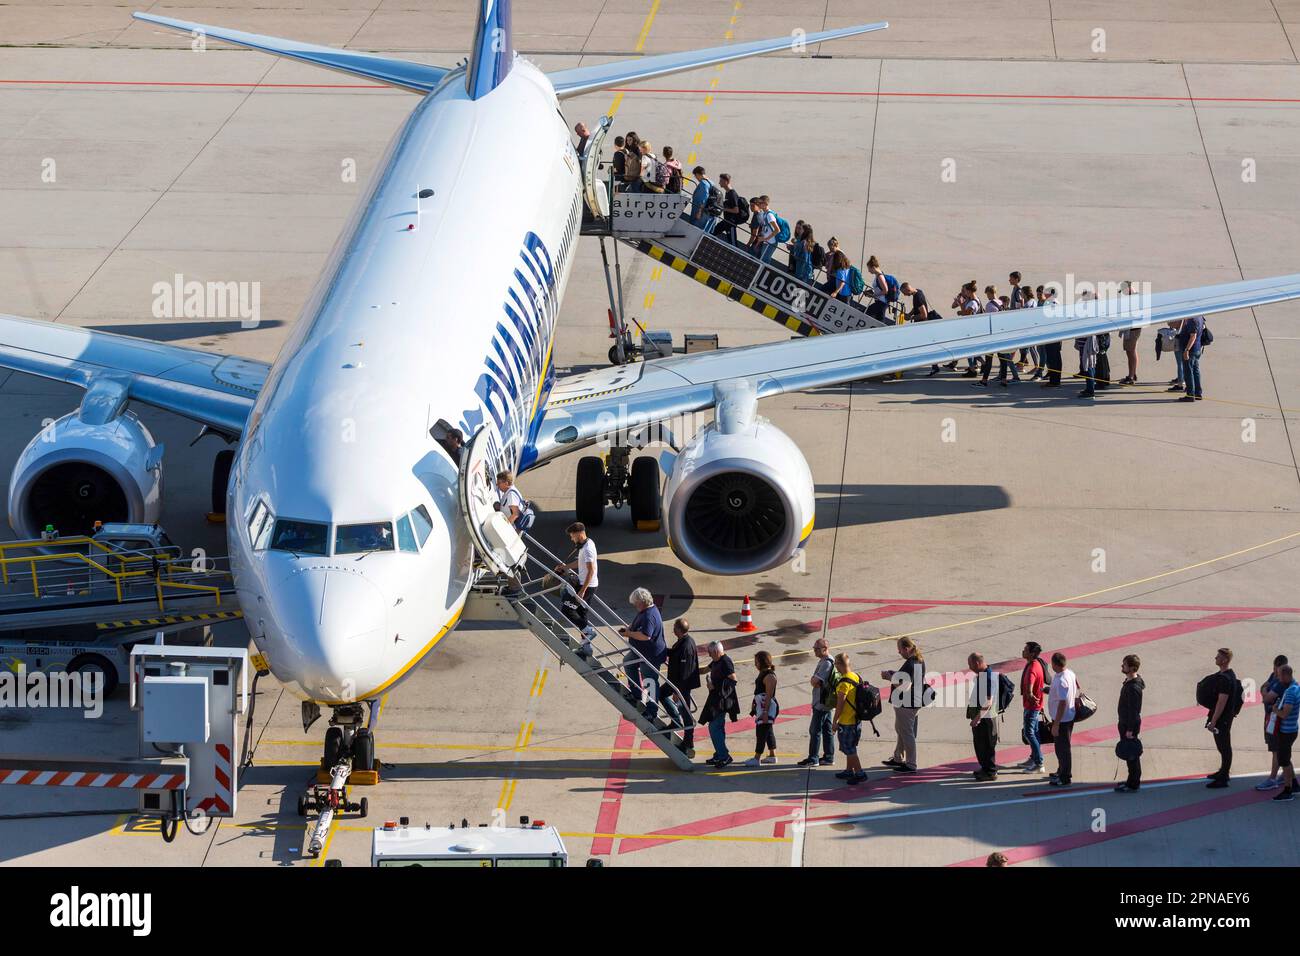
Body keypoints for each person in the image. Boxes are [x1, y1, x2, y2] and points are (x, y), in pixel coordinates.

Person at [619, 588, 668, 722]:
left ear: (642, 602)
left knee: (650, 682)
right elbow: (640, 626)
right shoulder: (647, 611)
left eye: (636, 603)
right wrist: (630, 627)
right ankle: (636, 694)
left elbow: (646, 635)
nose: (635, 606)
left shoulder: (648, 615)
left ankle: (651, 711)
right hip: (641, 651)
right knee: (628, 663)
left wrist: (628, 633)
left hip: (650, 655)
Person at [881, 636, 927, 773]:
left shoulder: (910, 663)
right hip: (914, 701)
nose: (899, 652)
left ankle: (911, 764)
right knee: (901, 729)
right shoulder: (918, 660)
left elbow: (905, 686)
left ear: (906, 649)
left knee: (906, 733)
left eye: (900, 650)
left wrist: (889, 677)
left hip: (906, 704)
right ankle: (898, 758)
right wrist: (896, 673)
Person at [662, 618, 699, 757]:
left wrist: (677, 691)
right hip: (676, 682)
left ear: (678, 629)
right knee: (661, 694)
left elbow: (684, 671)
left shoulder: (685, 646)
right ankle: (675, 721)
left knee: (686, 712)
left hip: (681, 685)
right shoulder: (683, 642)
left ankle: (688, 741)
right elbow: (675, 654)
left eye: (674, 627)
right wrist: (664, 650)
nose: (672, 629)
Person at [798, 637, 836, 767]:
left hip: (822, 703)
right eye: (814, 648)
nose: (814, 650)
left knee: (815, 731)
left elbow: (815, 682)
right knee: (827, 730)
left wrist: (813, 679)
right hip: (826, 702)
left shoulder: (827, 663)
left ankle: (813, 758)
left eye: (816, 648)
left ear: (825, 649)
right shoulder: (826, 660)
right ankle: (829, 757)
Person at [700, 641, 738, 767]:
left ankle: (724, 756)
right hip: (716, 700)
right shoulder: (716, 661)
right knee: (718, 728)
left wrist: (714, 686)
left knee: (714, 727)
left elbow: (733, 679)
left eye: (710, 653)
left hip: (721, 701)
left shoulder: (725, 662)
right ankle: (719, 754)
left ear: (716, 652)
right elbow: (705, 670)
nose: (709, 656)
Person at [832, 653, 868, 785]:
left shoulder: (844, 683)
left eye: (836, 664)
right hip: (856, 719)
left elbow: (839, 704)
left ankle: (860, 773)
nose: (835, 666)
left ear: (840, 665)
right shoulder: (856, 676)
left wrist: (835, 721)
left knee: (850, 749)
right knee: (851, 746)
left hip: (847, 721)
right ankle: (848, 770)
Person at [1205, 647, 1238, 788]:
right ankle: (1223, 771)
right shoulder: (1228, 675)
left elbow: (1221, 702)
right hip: (1224, 717)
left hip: (1222, 718)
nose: (1215, 658)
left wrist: (1213, 721)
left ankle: (1224, 777)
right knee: (1222, 745)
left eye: (1218, 657)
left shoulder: (1225, 679)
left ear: (1224, 660)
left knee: (1224, 746)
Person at [1258, 655, 1291, 791]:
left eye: (1277, 668)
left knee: (1276, 750)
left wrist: (1265, 691)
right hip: (1270, 718)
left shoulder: (1281, 683)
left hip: (1276, 720)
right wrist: (1264, 690)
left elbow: (1266, 697)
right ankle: (1287, 775)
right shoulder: (1274, 676)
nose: (1275, 671)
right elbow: (1263, 687)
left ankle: (1273, 778)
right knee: (1281, 750)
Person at [1267, 665, 1299, 801]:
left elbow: (1285, 714)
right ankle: (1295, 785)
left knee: (1284, 760)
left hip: (1286, 731)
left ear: (1286, 675)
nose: (1278, 678)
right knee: (1286, 758)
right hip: (1292, 729)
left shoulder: (1291, 692)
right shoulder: (1296, 686)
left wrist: (1274, 710)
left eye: (1280, 676)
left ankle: (1288, 790)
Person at [1048, 651, 1078, 787]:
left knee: (1062, 749)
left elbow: (1062, 703)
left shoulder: (1061, 680)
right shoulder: (1070, 673)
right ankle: (1061, 770)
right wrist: (1052, 691)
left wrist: (1056, 724)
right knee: (1061, 747)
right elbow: (1077, 686)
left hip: (1063, 720)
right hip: (1068, 716)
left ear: (1055, 664)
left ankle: (1065, 777)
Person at [1018, 641, 1049, 772]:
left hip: (1031, 707)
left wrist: (1030, 694)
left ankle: (1039, 763)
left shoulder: (1032, 668)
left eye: (1025, 649)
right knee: (1034, 732)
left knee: (1028, 733)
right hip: (1036, 705)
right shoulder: (1036, 664)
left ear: (1031, 653)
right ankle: (1034, 757)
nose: (1023, 651)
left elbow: (1030, 684)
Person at [1116, 654, 1144, 792]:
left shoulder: (1133, 688)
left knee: (1131, 754)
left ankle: (1133, 783)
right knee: (1130, 753)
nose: (1122, 666)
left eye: (1125, 665)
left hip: (1129, 726)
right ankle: (1132, 780)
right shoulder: (1130, 682)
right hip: (1125, 723)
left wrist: (1130, 729)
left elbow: (1134, 710)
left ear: (1132, 668)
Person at [745, 651, 779, 766]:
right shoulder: (763, 673)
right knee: (768, 730)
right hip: (762, 706)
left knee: (761, 732)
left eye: (756, 662)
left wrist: (765, 712)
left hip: (767, 707)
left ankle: (756, 758)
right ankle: (772, 755)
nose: (755, 664)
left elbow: (769, 695)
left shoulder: (769, 676)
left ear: (762, 662)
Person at [968, 652, 998, 780]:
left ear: (977, 663)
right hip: (983, 717)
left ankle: (990, 772)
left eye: (970, 665)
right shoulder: (983, 675)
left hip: (986, 718)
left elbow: (988, 702)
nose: (969, 668)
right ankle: (985, 768)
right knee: (980, 744)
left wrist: (977, 718)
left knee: (987, 745)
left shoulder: (988, 677)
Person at [554, 522, 598, 606]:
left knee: (568, 610)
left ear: (579, 534)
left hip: (587, 586)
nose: (571, 539)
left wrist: (582, 591)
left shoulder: (587, 549)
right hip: (586, 584)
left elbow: (591, 571)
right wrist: (565, 567)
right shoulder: (587, 543)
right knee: (581, 612)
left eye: (572, 536)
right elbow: (580, 563)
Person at [1178, 313, 1205, 402]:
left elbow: (1193, 336)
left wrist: (1186, 350)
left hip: (1191, 350)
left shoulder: (1192, 320)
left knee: (1188, 372)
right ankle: (1198, 393)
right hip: (1197, 349)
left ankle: (1190, 394)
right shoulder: (1200, 317)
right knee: (1195, 371)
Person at [748, 195, 778, 262]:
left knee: (763, 260)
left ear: (765, 204)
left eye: (760, 203)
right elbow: (764, 228)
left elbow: (777, 230)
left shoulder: (768, 215)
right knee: (761, 259)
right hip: (764, 241)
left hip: (767, 242)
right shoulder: (763, 214)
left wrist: (764, 239)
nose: (759, 205)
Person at [688, 166, 718, 233]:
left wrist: (699, 212)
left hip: (701, 212)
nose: (696, 178)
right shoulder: (711, 183)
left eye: (695, 176)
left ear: (698, 174)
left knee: (695, 231)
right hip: (708, 212)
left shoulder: (703, 184)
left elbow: (703, 200)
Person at [717, 173, 744, 245]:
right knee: (713, 231)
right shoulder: (727, 192)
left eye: (721, 181)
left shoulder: (732, 194)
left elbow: (736, 210)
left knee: (733, 244)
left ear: (727, 182)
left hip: (731, 223)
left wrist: (723, 209)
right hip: (726, 221)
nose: (719, 182)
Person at [1076, 333, 1099, 399]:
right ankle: (1089, 389)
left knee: (1088, 367)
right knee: (1088, 367)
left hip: (1086, 344)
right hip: (1085, 343)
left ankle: (1090, 392)